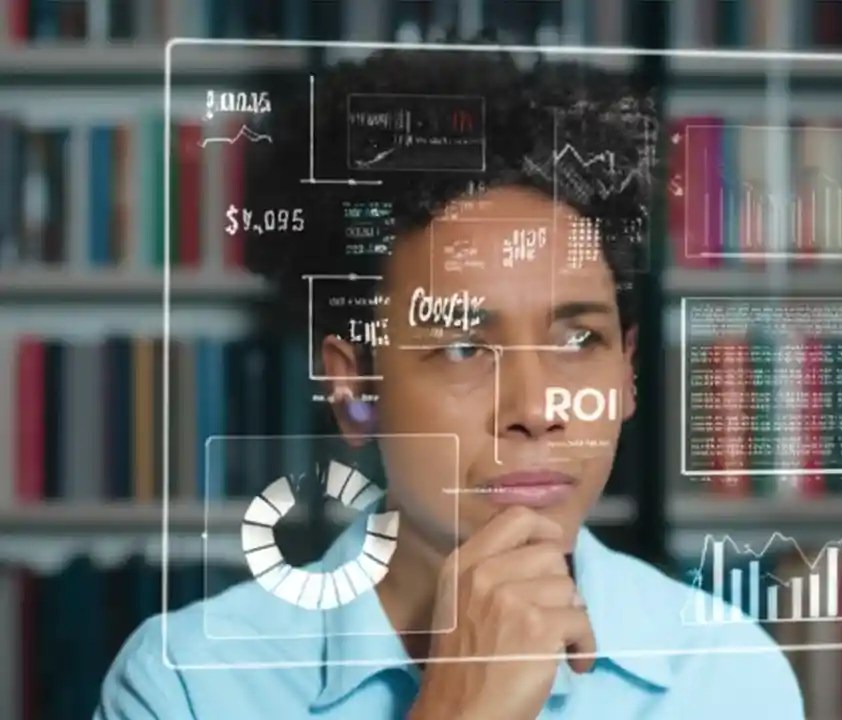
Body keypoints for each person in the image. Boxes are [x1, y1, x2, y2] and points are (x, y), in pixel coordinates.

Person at [94, 47, 804, 719]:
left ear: (626, 371)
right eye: (464, 347)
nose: (536, 409)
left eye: (577, 339)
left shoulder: (728, 675)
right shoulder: (184, 683)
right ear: (355, 388)